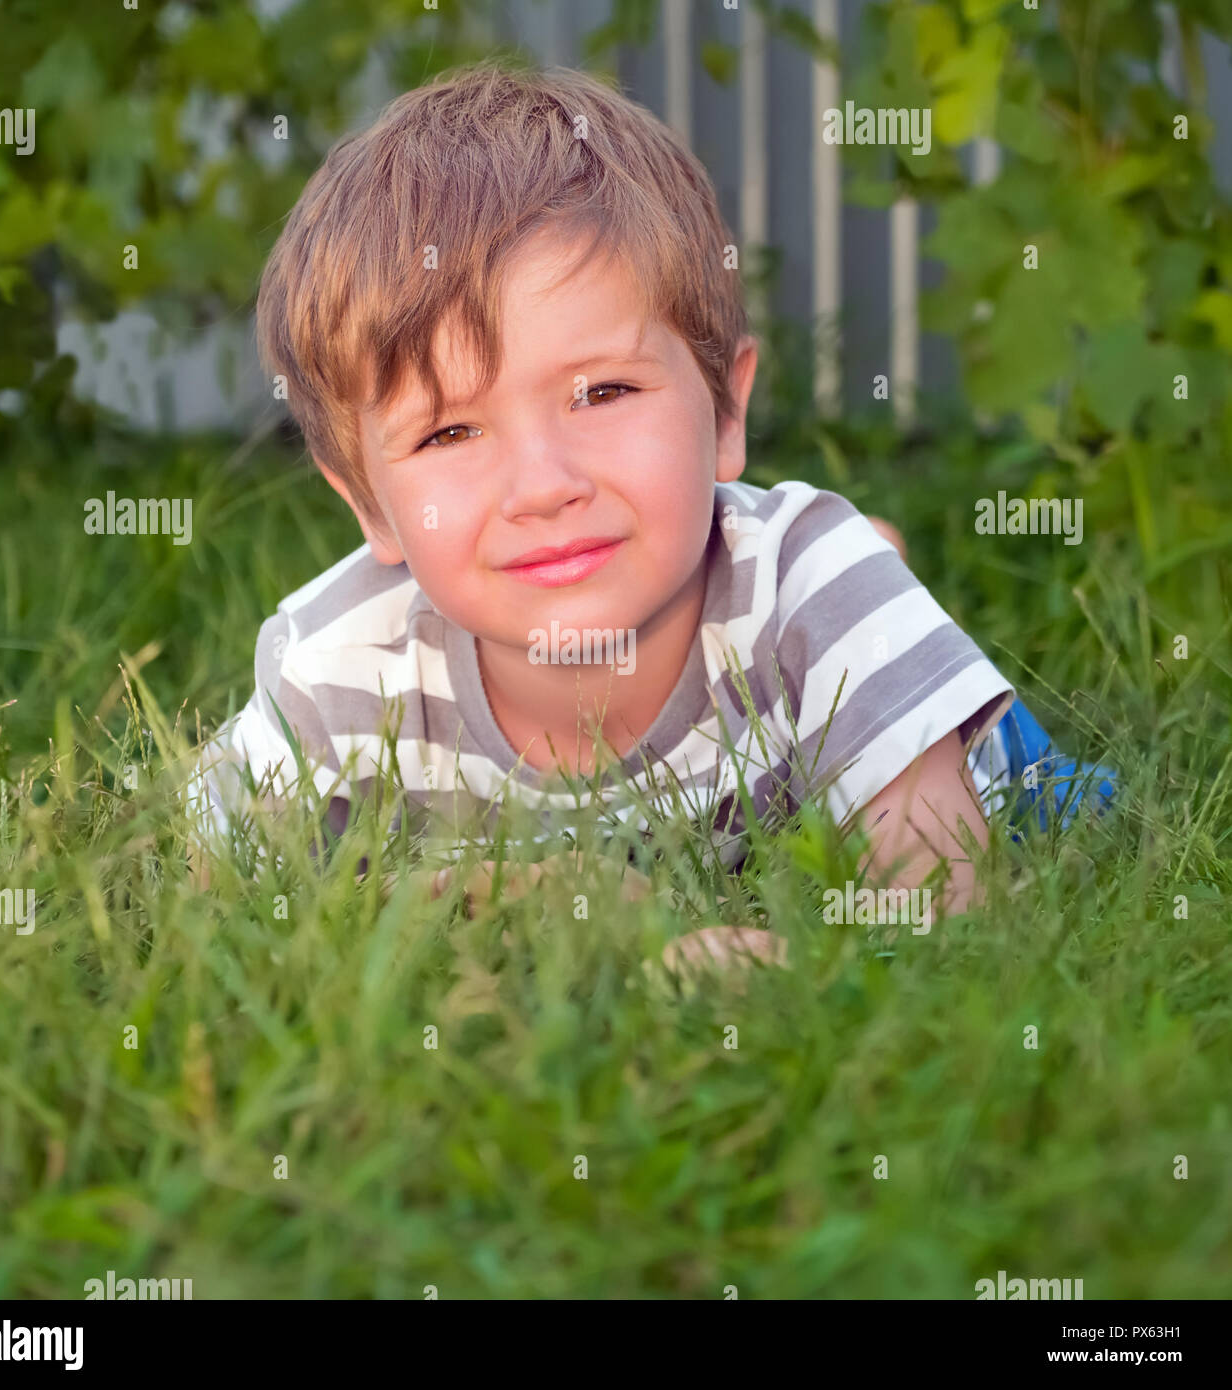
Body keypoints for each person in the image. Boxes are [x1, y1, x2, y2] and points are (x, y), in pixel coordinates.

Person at [187, 61, 1111, 974]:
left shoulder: (805, 602)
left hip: (966, 760)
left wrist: (790, 968)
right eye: (451, 431)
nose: (542, 485)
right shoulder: (335, 673)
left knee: (1037, 788)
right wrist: (467, 902)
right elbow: (214, 895)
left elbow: (949, 915)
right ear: (368, 506)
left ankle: (881, 597)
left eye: (602, 391)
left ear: (727, 414)